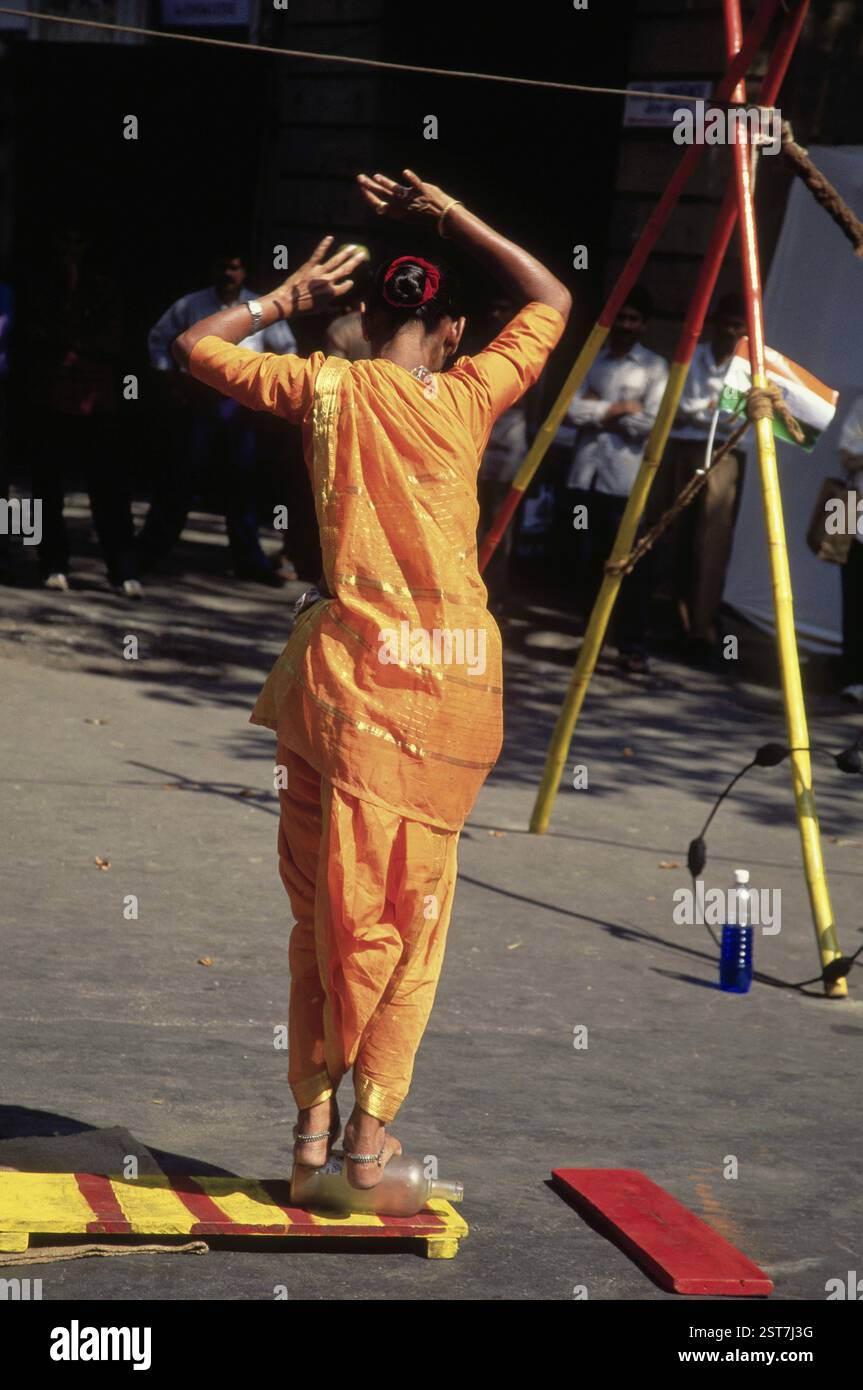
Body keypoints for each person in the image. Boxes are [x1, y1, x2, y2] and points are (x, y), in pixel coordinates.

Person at [172, 169, 570, 1189]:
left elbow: (191, 347)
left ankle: (310, 1133)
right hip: (444, 695)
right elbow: (552, 299)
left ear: (376, 314)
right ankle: (365, 1135)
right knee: (411, 918)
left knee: (320, 912)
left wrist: (282, 299)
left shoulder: (322, 388)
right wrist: (456, 214)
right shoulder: (474, 392)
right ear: (447, 332)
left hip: (337, 691)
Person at [139, 251, 297, 584]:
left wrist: (271, 392)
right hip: (197, 401)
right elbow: (158, 338)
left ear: (244, 272)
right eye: (223, 265)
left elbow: (288, 350)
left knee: (241, 482)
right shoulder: (191, 305)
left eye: (234, 267)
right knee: (181, 476)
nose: (228, 272)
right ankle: (150, 551)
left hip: (240, 405)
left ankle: (249, 561)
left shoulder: (260, 307)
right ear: (213, 268)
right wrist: (170, 379)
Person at [26, 226, 141, 596]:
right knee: (47, 487)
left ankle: (123, 570)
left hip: (96, 398)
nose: (70, 249)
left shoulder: (104, 288)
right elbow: (31, 333)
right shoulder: (41, 287)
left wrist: (78, 348)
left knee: (108, 488)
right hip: (51, 396)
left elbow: (116, 337)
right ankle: (52, 564)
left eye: (77, 241)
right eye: (64, 241)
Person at [565, 288, 669, 672]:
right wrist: (621, 407)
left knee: (627, 563)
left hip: (622, 482)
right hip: (584, 476)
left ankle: (632, 646)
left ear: (643, 325)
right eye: (620, 318)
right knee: (585, 559)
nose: (625, 326)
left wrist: (598, 409)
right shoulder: (595, 359)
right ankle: (589, 642)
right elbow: (571, 411)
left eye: (633, 319)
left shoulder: (655, 368)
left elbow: (649, 423)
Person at [648, 293, 747, 664]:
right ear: (716, 324)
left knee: (711, 541)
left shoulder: (743, 370)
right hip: (683, 449)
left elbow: (734, 418)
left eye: (739, 326)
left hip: (722, 454)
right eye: (727, 324)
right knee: (674, 533)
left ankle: (701, 631)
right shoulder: (695, 356)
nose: (732, 332)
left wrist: (705, 412)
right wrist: (709, 410)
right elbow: (678, 406)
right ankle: (673, 620)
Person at [836, 391, 863, 702]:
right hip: (856, 516)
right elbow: (846, 454)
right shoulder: (861, 407)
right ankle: (854, 677)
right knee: (854, 599)